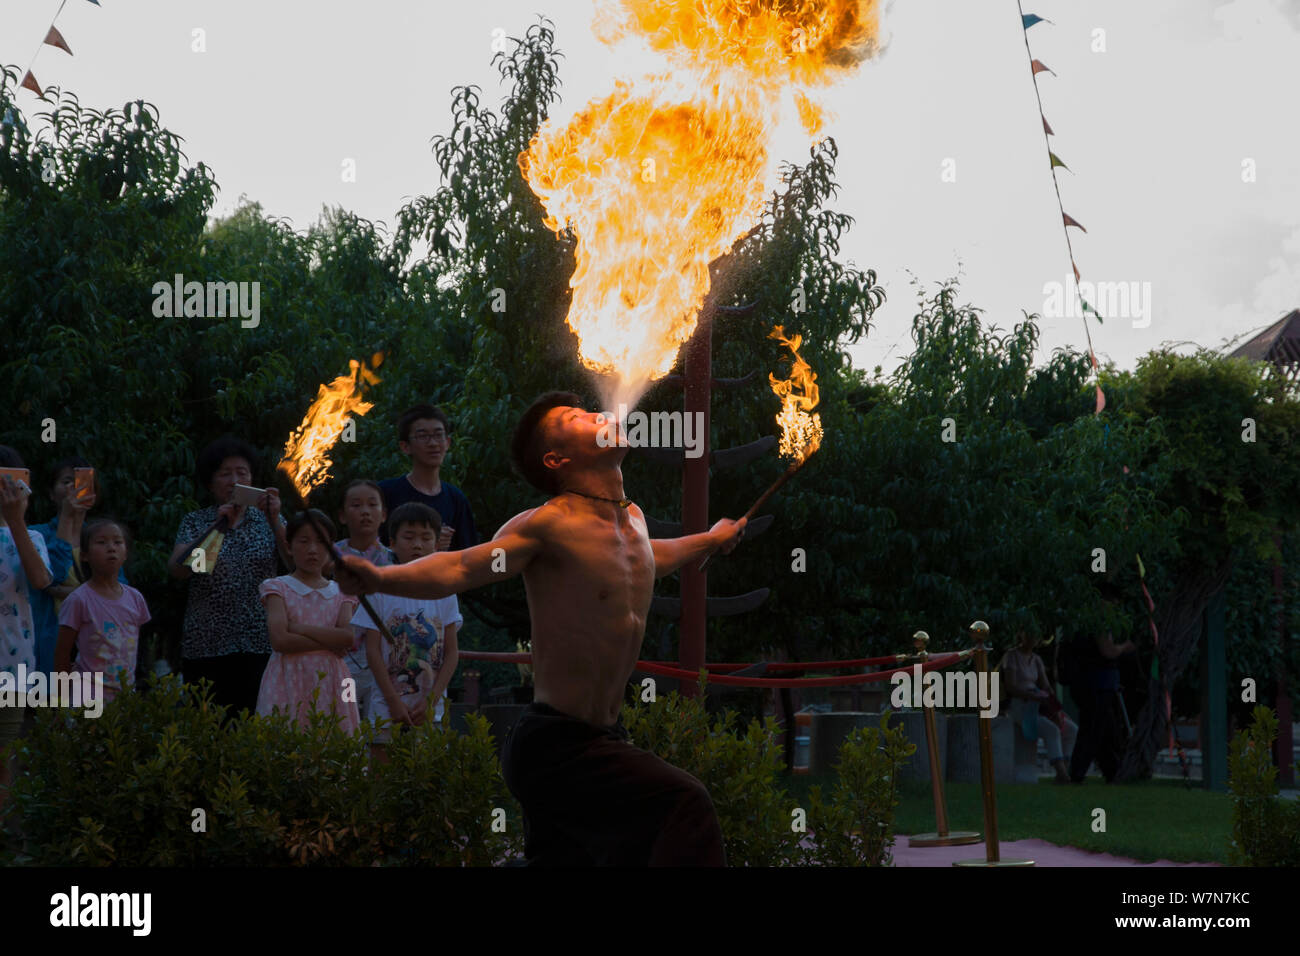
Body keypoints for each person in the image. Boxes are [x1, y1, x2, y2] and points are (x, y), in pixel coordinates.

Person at [337, 392, 746, 866]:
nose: (599, 414)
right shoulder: (546, 525)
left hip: (602, 735)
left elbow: (653, 558)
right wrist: (380, 576)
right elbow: (462, 568)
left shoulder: (630, 521)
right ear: (558, 458)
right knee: (685, 803)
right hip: (556, 746)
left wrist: (712, 539)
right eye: (577, 417)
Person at [168, 437, 290, 717]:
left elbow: (293, 564)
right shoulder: (196, 522)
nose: (234, 480)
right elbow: (183, 570)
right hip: (207, 645)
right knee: (209, 726)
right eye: (225, 473)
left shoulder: (269, 520)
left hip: (260, 641)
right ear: (210, 483)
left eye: (242, 472)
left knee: (256, 724)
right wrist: (219, 527)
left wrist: (275, 519)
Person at [358, 503, 461, 758]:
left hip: (431, 713)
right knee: (381, 779)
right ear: (391, 542)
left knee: (428, 780)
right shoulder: (378, 587)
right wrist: (393, 701)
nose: (417, 545)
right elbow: (372, 651)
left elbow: (451, 653)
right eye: (409, 537)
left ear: (437, 545)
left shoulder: (445, 590)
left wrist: (431, 702)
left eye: (426, 538)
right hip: (385, 709)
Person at [256, 510, 359, 733]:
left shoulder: (343, 592)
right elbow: (280, 640)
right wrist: (330, 641)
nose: (313, 549)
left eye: (321, 542)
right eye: (304, 541)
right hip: (287, 676)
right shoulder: (277, 587)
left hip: (334, 678)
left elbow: (348, 637)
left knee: (338, 737)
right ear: (289, 546)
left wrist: (297, 628)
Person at [28, 456, 126, 676]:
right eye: (66, 481)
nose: (74, 487)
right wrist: (67, 518)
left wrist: (62, 591)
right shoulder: (36, 535)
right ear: (52, 494)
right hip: (49, 643)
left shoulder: (105, 536)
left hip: (96, 643)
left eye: (81, 481)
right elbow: (50, 577)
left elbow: (117, 591)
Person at [0, 447, 52, 811]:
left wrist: (15, 521)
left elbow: (40, 580)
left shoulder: (32, 537)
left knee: (5, 764)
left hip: (13, 673)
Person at [54, 518, 151, 702]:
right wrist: (62, 699)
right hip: (87, 696)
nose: (111, 548)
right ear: (84, 555)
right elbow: (62, 653)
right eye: (101, 542)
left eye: (117, 542)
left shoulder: (135, 598)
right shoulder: (78, 600)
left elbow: (141, 649)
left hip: (125, 697)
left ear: (126, 553)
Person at [377, 404, 478, 551]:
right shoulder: (385, 493)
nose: (433, 443)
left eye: (438, 435)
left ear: (448, 442)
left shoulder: (456, 499)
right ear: (405, 446)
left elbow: (468, 555)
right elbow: (369, 548)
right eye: (423, 436)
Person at [335, 479, 394, 722]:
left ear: (383, 515)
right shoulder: (330, 558)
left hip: (383, 657)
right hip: (342, 656)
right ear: (342, 515)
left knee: (379, 722)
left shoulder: (396, 561)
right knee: (343, 720)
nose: (365, 512)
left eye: (372, 505)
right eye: (356, 505)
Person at [1066, 586, 1137, 783]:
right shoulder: (1099, 623)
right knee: (1093, 729)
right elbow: (1108, 651)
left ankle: (1112, 770)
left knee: (1106, 729)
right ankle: (1078, 772)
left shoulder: (1084, 622)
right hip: (1097, 684)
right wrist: (1125, 647)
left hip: (1094, 683)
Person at [999, 625, 1078, 784]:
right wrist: (1033, 696)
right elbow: (1011, 686)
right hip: (1020, 704)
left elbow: (1046, 685)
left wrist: (1054, 705)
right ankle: (1061, 773)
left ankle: (1066, 768)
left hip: (1038, 703)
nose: (1032, 639)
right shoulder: (1011, 656)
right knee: (1051, 729)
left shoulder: (1036, 659)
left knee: (1071, 728)